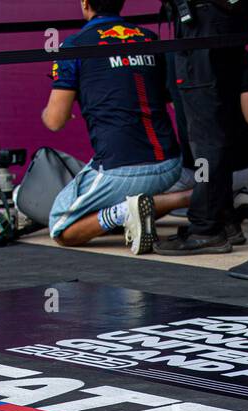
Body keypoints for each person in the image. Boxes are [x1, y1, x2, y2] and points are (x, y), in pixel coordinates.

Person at [43, 0, 188, 254]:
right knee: (106, 191)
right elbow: (170, 101)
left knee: (61, 227)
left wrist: (51, 111)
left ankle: (160, 203)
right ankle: (188, 197)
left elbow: (54, 121)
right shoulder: (149, 37)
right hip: (171, 165)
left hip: (119, 170)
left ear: (85, 3)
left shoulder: (73, 45)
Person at [157, 0, 248, 255]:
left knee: (206, 138)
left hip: (203, 32)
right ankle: (223, 220)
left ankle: (206, 230)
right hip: (222, 29)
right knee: (218, 129)